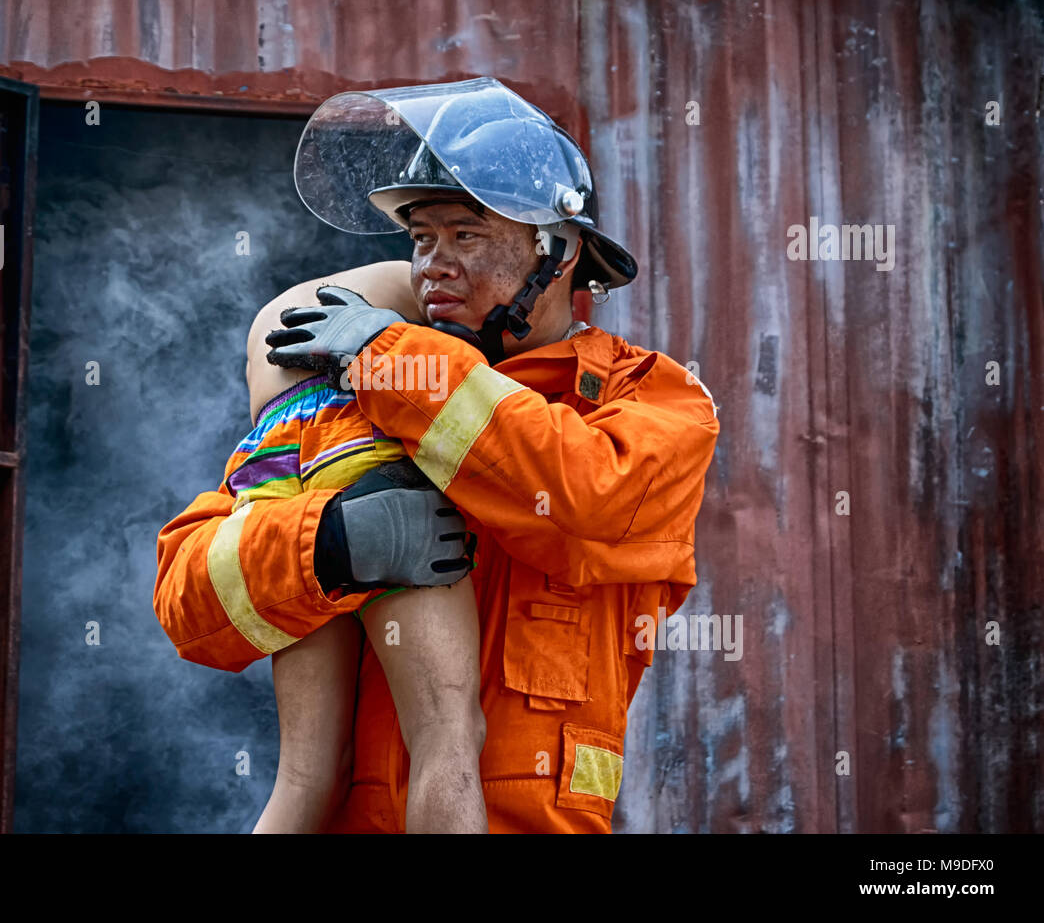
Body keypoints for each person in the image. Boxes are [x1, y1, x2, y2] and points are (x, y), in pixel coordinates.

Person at [154, 77, 719, 832]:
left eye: (467, 235)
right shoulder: (355, 402)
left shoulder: (650, 399)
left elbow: (587, 500)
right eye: (422, 239)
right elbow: (190, 606)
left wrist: (395, 360)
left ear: (558, 251)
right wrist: (325, 546)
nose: (433, 265)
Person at [233, 261, 487, 833]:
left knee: (305, 775)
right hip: (354, 429)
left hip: (269, 464)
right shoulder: (450, 274)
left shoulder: (324, 289)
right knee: (446, 734)